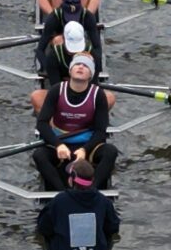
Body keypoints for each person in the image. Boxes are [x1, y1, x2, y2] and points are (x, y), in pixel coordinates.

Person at [34, 52, 119, 190]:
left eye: (86, 66)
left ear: (90, 75)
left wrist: (85, 150)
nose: (80, 67)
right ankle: (62, 192)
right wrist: (58, 145)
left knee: (111, 151)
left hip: (87, 145)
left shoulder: (98, 95)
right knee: (39, 155)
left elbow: (100, 131)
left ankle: (93, 190)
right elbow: (42, 123)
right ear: (70, 70)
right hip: (61, 143)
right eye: (77, 64)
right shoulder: (56, 90)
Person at [35, 154, 121, 250]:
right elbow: (113, 227)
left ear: (71, 180)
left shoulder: (58, 201)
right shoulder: (104, 201)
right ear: (92, 180)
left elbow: (43, 228)